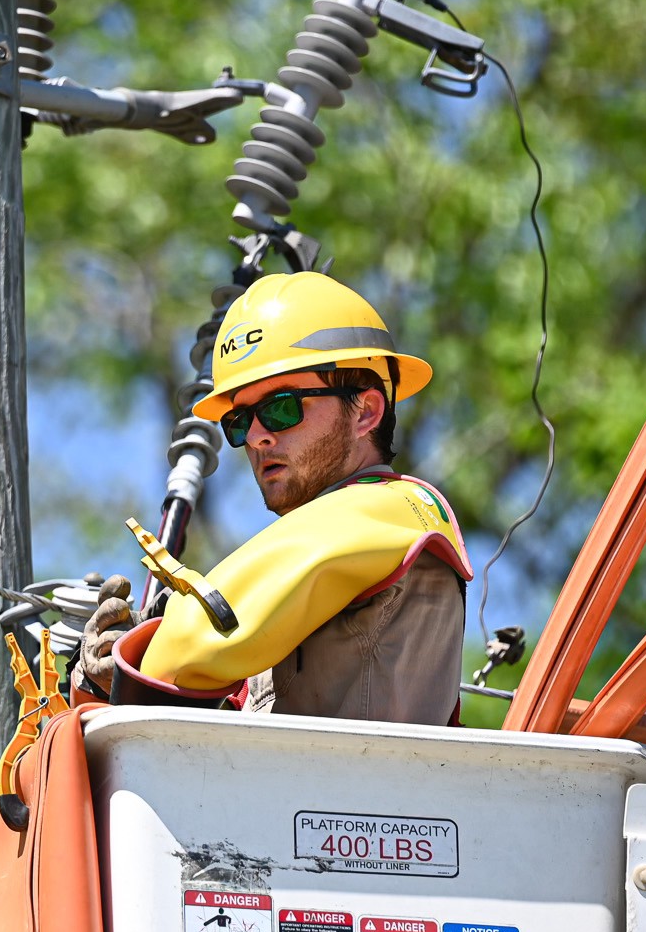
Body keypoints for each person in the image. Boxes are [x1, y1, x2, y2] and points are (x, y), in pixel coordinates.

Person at [77, 272, 472, 726]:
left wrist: (144, 646)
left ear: (365, 412)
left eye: (281, 407)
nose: (256, 437)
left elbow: (184, 650)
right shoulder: (309, 572)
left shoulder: (393, 510)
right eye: (240, 422)